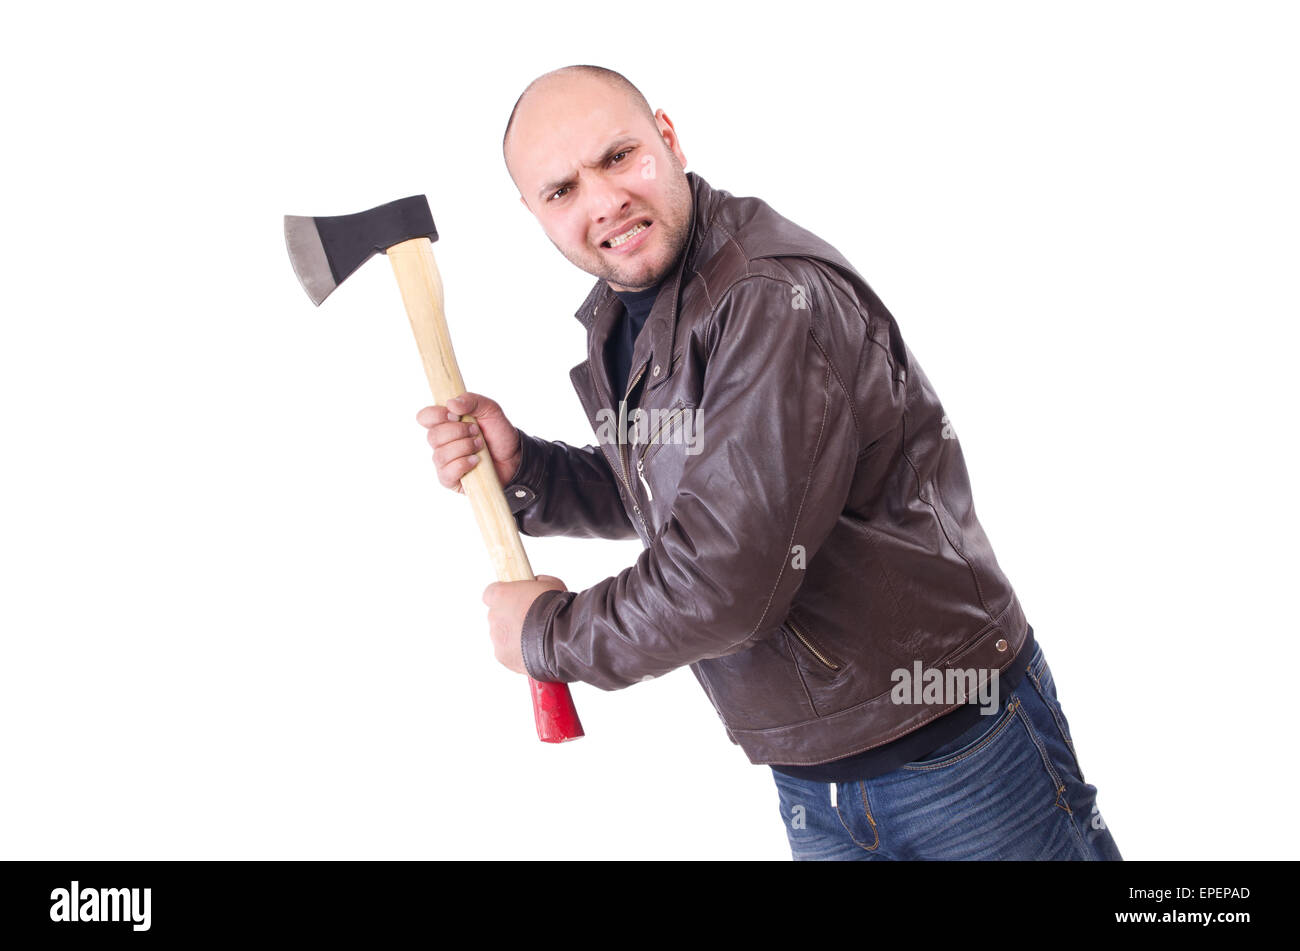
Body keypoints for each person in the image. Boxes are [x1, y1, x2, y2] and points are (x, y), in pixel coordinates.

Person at [415, 65, 1122, 861]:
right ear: (534, 213)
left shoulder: (765, 296)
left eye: (618, 157)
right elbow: (700, 491)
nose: (603, 201)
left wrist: (549, 634)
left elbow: (726, 575)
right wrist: (528, 474)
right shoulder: (630, 311)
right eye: (562, 190)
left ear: (669, 138)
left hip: (957, 755)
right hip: (812, 780)